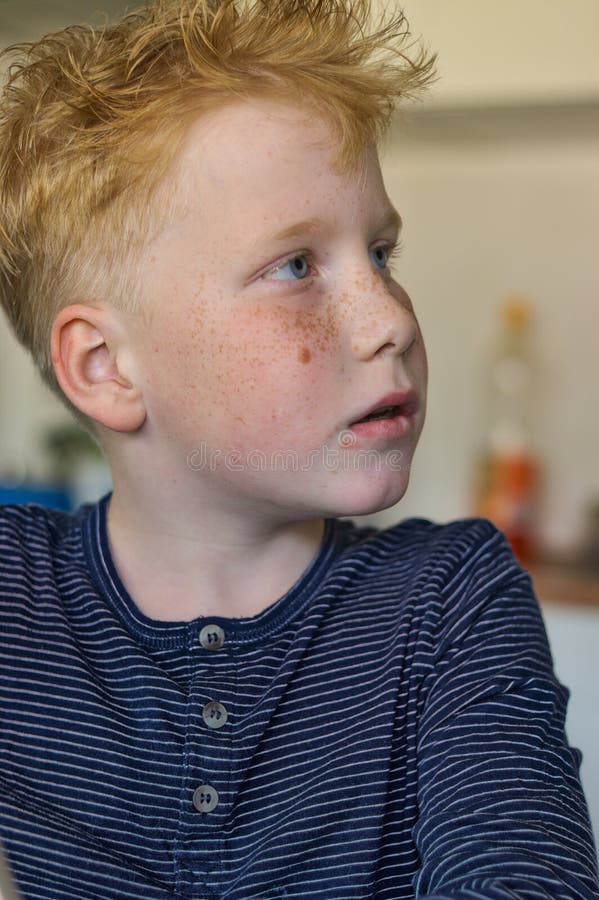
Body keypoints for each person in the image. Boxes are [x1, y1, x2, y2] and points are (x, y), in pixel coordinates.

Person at [0, 0, 597, 897]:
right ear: (106, 367)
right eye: (296, 267)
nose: (390, 321)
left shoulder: (448, 600)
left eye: (382, 254)